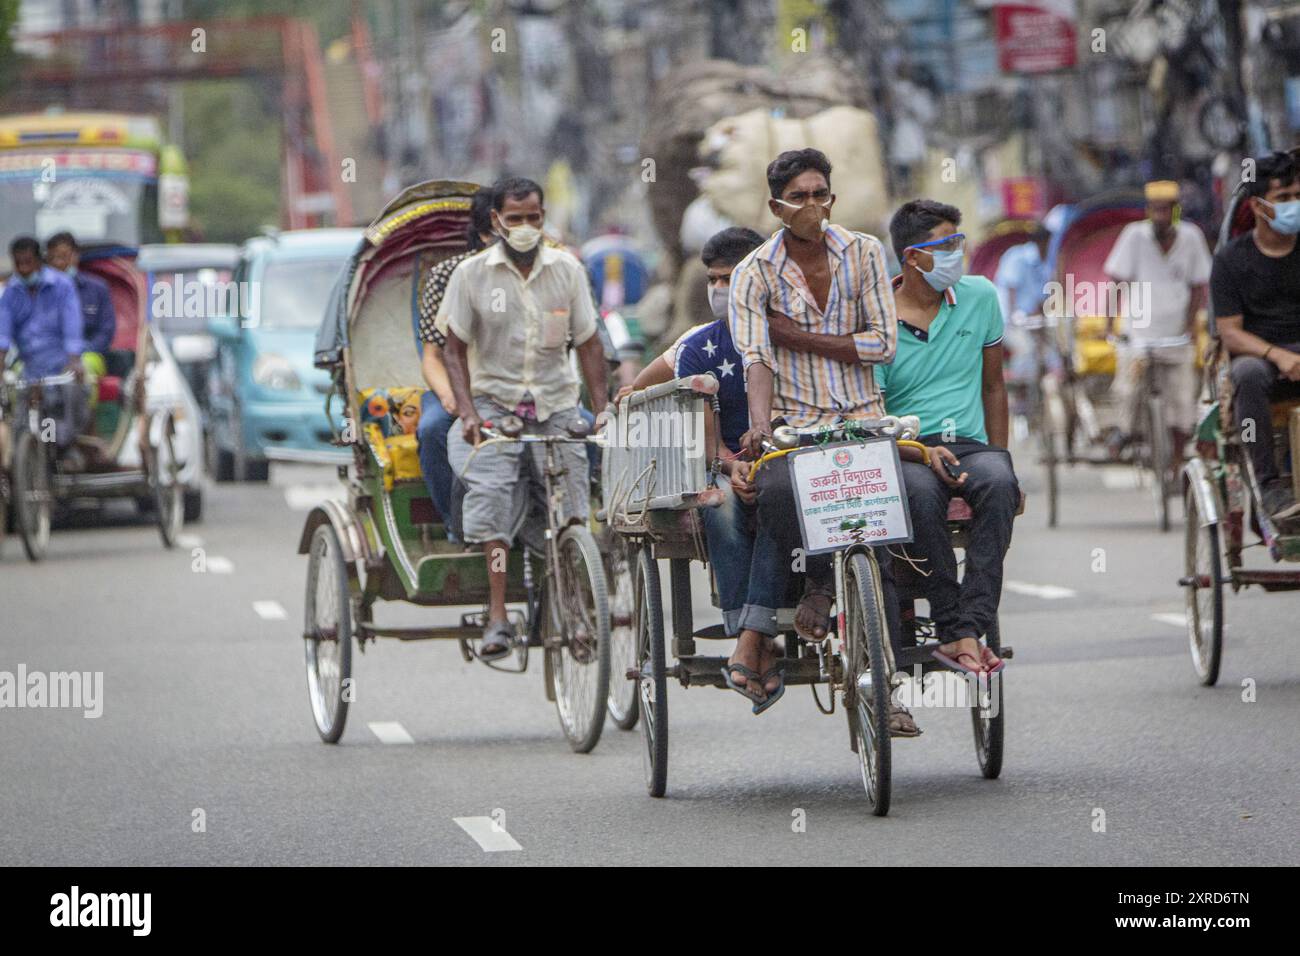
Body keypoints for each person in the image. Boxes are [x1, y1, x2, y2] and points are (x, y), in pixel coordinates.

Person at [727, 148, 908, 722]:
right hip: (798, 427)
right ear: (777, 205)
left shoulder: (865, 252)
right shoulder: (752, 272)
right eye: (799, 197)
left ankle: (879, 658)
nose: (813, 206)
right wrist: (760, 426)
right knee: (778, 493)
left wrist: (797, 337)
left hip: (864, 418)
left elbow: (883, 344)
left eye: (821, 193)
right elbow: (757, 356)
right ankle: (817, 587)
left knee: (907, 506)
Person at [440, 177, 609, 659]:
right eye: (514, 219)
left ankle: (576, 606)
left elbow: (589, 342)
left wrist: (602, 410)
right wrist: (468, 412)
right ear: (495, 221)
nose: (525, 227)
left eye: (533, 217)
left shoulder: (567, 270)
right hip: (495, 405)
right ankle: (497, 617)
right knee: (492, 498)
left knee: (574, 499)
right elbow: (453, 351)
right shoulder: (471, 276)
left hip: (556, 403)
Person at [878, 200, 1017, 675]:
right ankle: (950, 624)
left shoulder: (979, 296)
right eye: (948, 245)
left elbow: (994, 385)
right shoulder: (876, 319)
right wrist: (915, 449)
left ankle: (969, 628)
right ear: (914, 256)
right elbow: (871, 413)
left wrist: (1003, 455)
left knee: (1000, 482)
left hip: (970, 448)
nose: (960, 252)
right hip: (905, 449)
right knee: (916, 496)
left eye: (960, 241)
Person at [617, 227, 766, 639]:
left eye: (730, 278)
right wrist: (727, 463)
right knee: (723, 502)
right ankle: (744, 624)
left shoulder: (791, 334)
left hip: (786, 454)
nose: (719, 289)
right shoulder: (699, 345)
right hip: (724, 461)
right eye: (713, 279)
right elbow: (649, 393)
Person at [1210, 150, 1300, 527]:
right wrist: (1278, 356)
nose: (1294, 205)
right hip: (1261, 355)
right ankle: (1270, 486)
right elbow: (1230, 333)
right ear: (1259, 207)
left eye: (1298, 195)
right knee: (1246, 373)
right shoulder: (1231, 260)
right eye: (1283, 199)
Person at [1102, 181, 1212, 466]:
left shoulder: (1191, 237)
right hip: (1138, 333)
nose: (1161, 216)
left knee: (1182, 399)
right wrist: (1109, 325)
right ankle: (1126, 432)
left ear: (1176, 211)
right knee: (1127, 389)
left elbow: (1199, 287)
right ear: (1148, 211)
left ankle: (1176, 459)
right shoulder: (1134, 236)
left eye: (1167, 210)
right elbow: (1116, 284)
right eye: (1155, 210)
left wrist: (1190, 326)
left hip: (1176, 335)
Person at [415, 186, 494, 526]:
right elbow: (434, 354)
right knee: (432, 429)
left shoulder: (546, 271)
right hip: (463, 385)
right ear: (485, 231)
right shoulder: (452, 276)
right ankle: (456, 524)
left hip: (519, 387)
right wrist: (451, 396)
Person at [0, 236, 88, 454]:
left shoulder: (62, 286)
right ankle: (24, 459)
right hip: (30, 368)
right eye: (18, 263)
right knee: (18, 413)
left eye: (28, 262)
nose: (23, 269)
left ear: (38, 261)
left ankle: (67, 447)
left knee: (70, 397)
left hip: (62, 365)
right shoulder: (11, 292)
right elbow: (3, 334)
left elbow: (72, 325)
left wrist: (74, 360)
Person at [45, 232, 116, 366]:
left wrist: (82, 351)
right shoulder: (39, 291)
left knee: (85, 369)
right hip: (47, 354)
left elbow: (106, 331)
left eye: (63, 257)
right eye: (52, 258)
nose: (58, 263)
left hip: (88, 354)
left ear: (75, 256)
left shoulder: (97, 289)